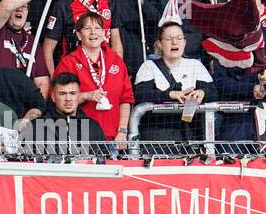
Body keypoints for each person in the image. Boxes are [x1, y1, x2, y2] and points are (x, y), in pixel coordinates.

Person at [53, 13, 133, 150]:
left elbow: (126, 99)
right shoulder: (68, 62)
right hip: (79, 139)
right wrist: (85, 96)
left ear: (104, 33)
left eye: (97, 28)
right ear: (78, 35)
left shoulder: (116, 61)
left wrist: (122, 131)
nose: (93, 32)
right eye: (87, 28)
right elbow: (56, 99)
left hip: (113, 139)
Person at [132, 21, 212, 145]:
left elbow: (214, 92)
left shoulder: (195, 65)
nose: (175, 42)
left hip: (191, 136)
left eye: (179, 38)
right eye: (169, 39)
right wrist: (170, 95)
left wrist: (202, 93)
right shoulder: (148, 66)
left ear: (185, 42)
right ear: (159, 44)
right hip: (157, 137)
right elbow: (140, 94)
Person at [29, 73, 107, 152]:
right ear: (53, 97)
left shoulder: (93, 126)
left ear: (79, 96)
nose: (68, 98)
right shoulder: (35, 127)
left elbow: (106, 159)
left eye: (73, 93)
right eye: (62, 94)